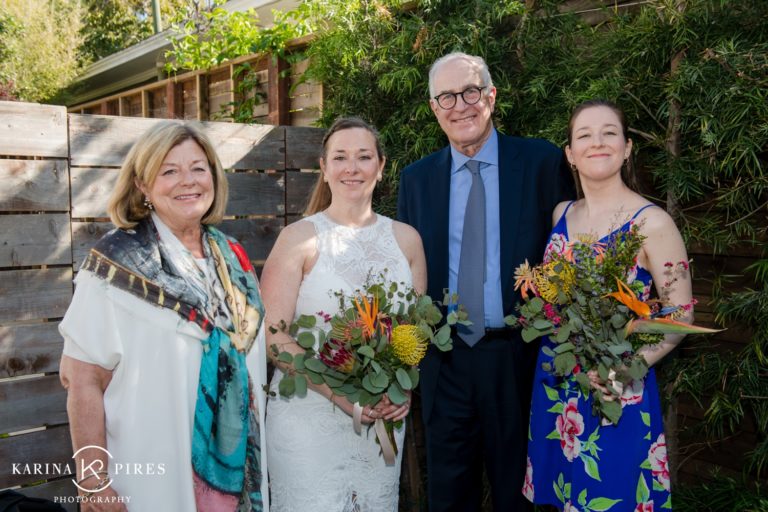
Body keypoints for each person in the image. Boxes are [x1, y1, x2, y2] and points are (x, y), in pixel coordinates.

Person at [397, 52, 576, 511]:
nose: (461, 105)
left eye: (471, 91)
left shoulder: (540, 162)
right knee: (448, 495)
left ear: (491, 97)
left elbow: (570, 253)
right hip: (444, 361)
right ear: (434, 107)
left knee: (521, 493)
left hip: (521, 358)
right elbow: (407, 274)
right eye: (447, 97)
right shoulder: (416, 181)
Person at [59, 122, 269, 511]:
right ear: (142, 184)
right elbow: (82, 378)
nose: (187, 181)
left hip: (238, 474)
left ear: (213, 176)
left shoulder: (234, 257)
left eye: (197, 168)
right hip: (151, 480)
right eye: (169, 170)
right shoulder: (114, 266)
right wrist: (92, 482)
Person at [525, 99, 693, 510]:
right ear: (569, 154)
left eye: (609, 133)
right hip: (557, 387)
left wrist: (624, 370)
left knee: (612, 495)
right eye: (584, 135)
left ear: (627, 147)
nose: (596, 143)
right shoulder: (561, 213)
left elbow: (681, 317)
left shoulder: (652, 223)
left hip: (616, 392)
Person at [262, 117, 427, 511]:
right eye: (340, 157)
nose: (351, 167)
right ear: (323, 167)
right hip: (308, 420)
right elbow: (272, 337)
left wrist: (401, 390)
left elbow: (416, 336)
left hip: (382, 421)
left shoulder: (407, 240)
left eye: (363, 156)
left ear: (381, 166)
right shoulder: (298, 238)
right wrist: (341, 394)